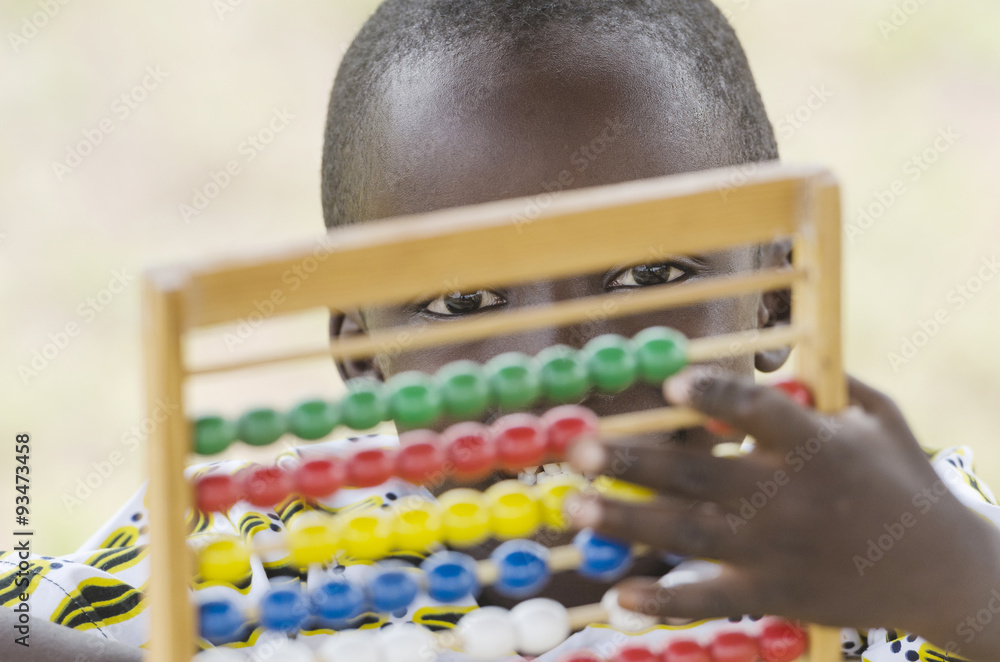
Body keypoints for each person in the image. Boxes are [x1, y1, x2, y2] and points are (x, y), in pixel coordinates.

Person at [4, 1, 998, 660]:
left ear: (775, 301)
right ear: (363, 356)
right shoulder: (249, 556)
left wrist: (958, 581)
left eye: (647, 276)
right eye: (460, 303)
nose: (552, 371)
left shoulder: (894, 543)